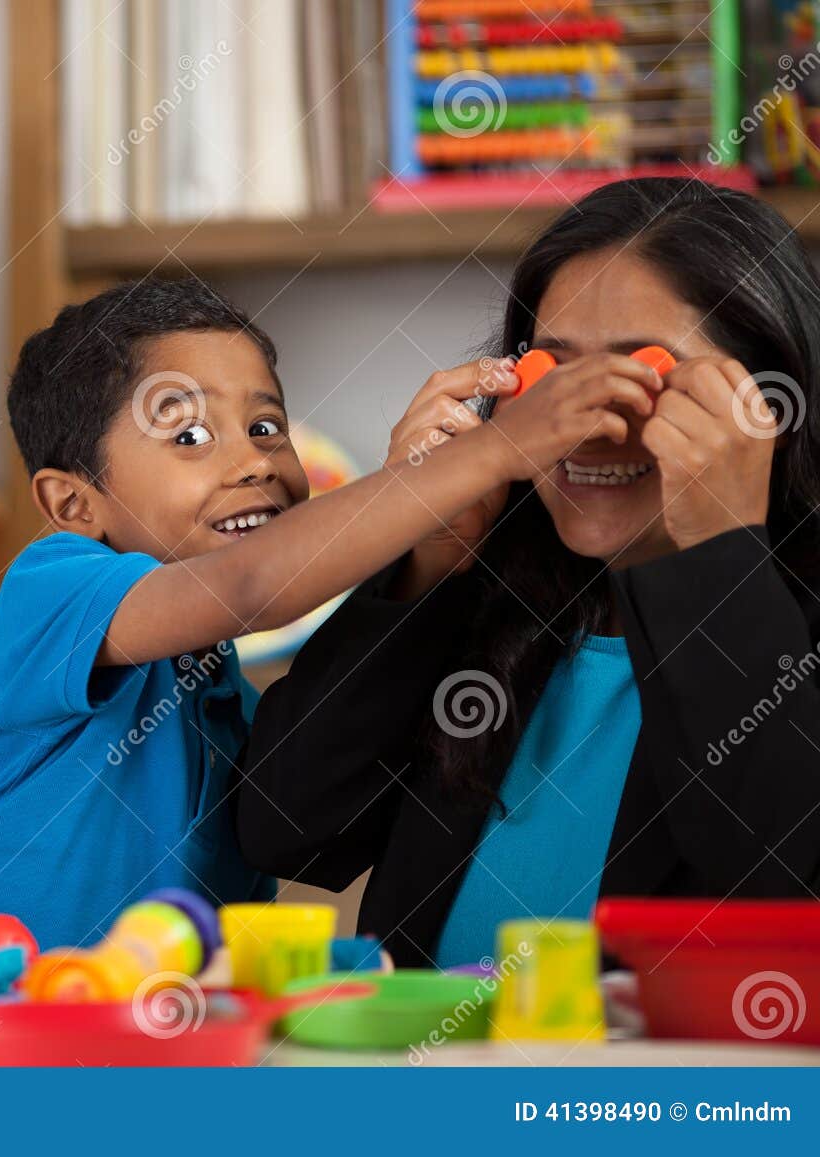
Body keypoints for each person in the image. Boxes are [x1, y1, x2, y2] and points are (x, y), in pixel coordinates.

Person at [0, 276, 645, 950]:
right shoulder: (55, 586)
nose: (254, 462)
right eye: (190, 435)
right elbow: (253, 584)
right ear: (74, 504)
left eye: (266, 427)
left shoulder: (223, 695)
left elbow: (293, 804)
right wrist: (493, 451)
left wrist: (433, 549)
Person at [237, 178, 820, 968]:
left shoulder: (788, 627)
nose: (585, 428)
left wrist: (719, 550)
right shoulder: (488, 596)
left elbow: (777, 881)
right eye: (554, 376)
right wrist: (424, 555)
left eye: (644, 374)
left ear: (769, 401)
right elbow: (285, 829)